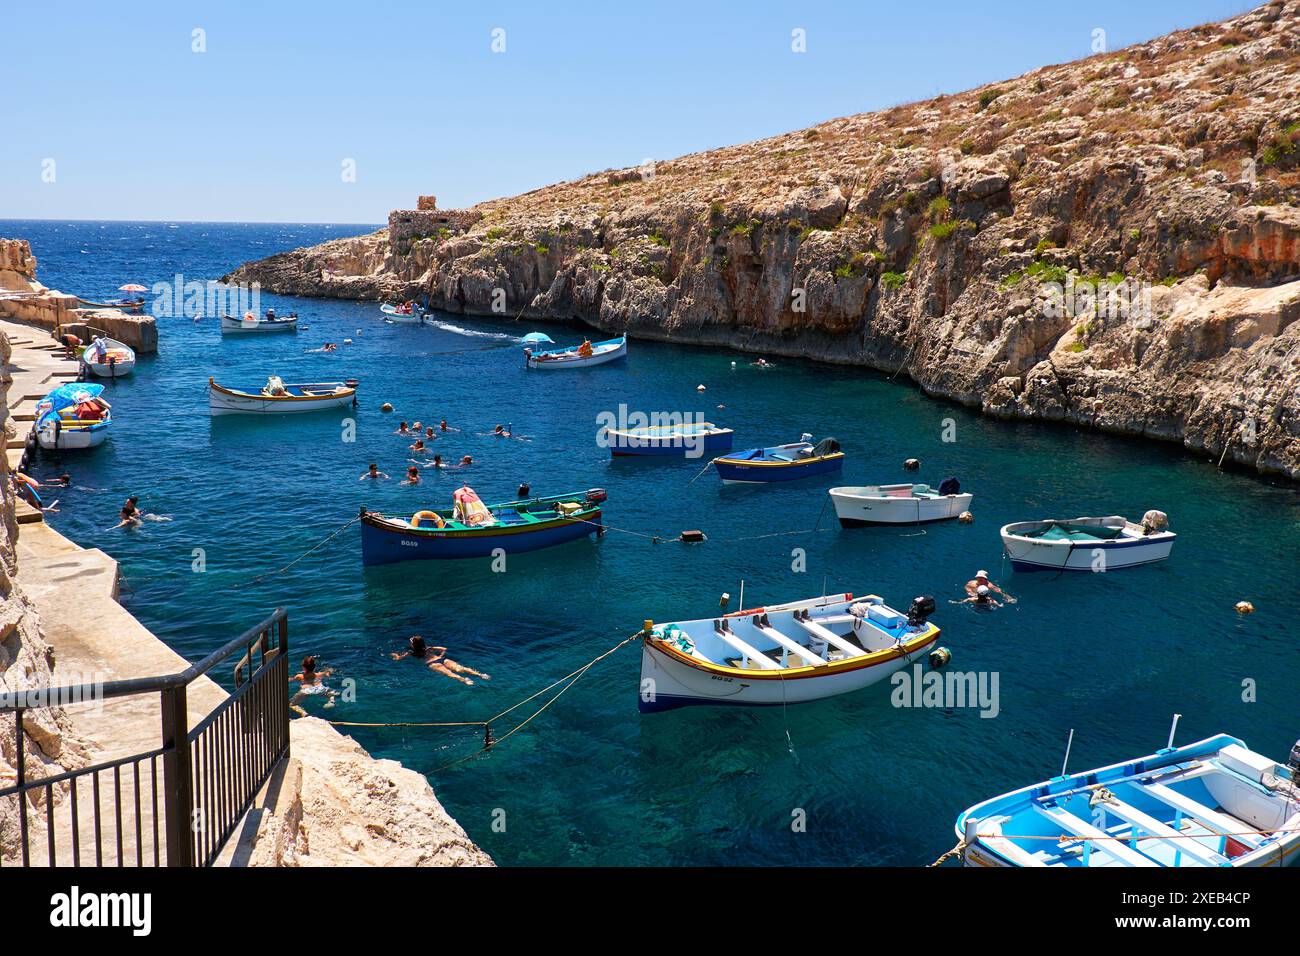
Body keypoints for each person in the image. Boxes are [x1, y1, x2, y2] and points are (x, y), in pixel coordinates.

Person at [390, 636, 490, 686]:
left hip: (432, 664)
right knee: (461, 669)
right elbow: (444, 649)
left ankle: (465, 680)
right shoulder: (429, 648)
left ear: (413, 645)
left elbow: (398, 659)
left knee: (450, 674)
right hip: (442, 659)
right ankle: (480, 675)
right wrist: (441, 656)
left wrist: (394, 655)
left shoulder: (411, 652)